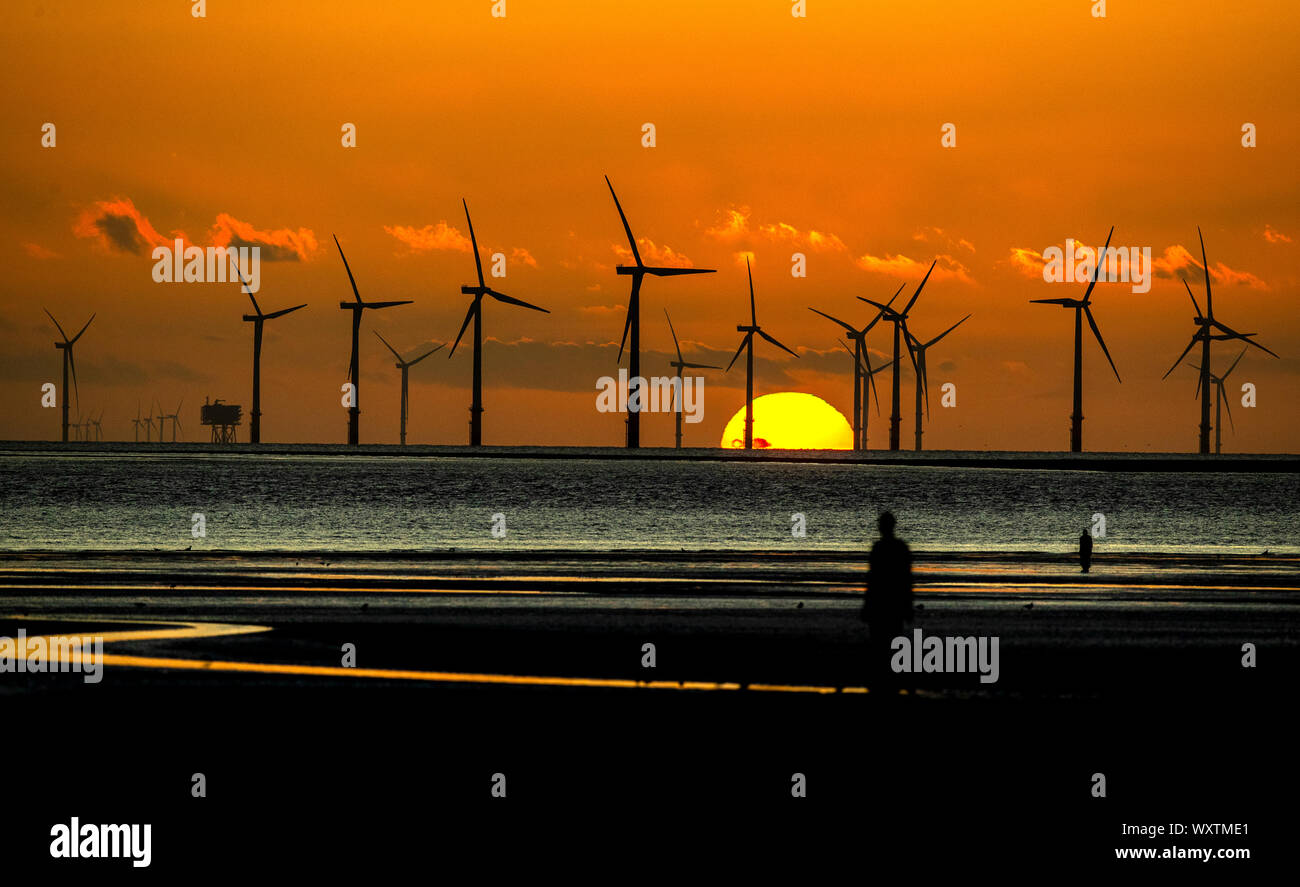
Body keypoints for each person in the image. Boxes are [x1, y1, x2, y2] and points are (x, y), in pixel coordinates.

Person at [862, 511, 913, 691]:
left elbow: (873, 579)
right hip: (894, 603)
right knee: (893, 642)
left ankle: (882, 681)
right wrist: (908, 606)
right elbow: (906, 580)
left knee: (880, 645)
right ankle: (892, 680)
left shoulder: (878, 548)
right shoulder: (900, 548)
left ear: (881, 527)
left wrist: (867, 604)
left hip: (880, 602)